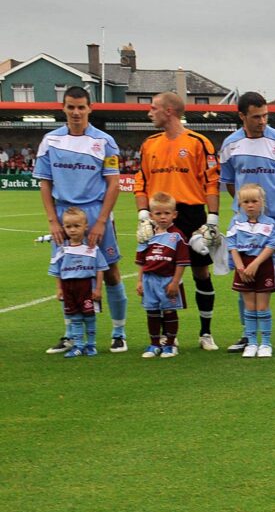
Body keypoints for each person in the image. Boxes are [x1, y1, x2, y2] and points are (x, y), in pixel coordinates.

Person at [34, 86, 129, 353]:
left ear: (90, 109)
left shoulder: (105, 141)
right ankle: (71, 335)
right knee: (68, 273)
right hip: (65, 215)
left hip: (95, 211)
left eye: (81, 107)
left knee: (110, 271)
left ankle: (119, 332)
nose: (76, 112)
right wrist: (53, 221)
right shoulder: (50, 141)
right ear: (63, 108)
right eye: (70, 107)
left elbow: (113, 184)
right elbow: (44, 183)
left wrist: (100, 221)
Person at [219, 92, 275, 352]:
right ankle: (248, 335)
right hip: (244, 225)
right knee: (244, 275)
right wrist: (245, 211)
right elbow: (230, 183)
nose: (262, 121)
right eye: (256, 117)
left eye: (265, 115)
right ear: (242, 116)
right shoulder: (230, 144)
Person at [134, 92, 221, 349]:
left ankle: (205, 333)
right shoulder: (149, 143)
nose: (149, 113)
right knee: (160, 274)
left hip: (192, 213)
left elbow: (211, 182)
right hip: (158, 216)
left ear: (169, 111)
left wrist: (213, 220)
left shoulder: (198, 142)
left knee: (200, 272)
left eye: (153, 108)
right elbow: (141, 182)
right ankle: (166, 335)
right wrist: (143, 216)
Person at [225, 185, 275, 358]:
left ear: (262, 202)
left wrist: (255, 264)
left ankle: (265, 343)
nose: (250, 205)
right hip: (243, 266)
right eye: (246, 202)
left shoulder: (270, 223)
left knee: (262, 307)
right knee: (249, 307)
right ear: (240, 204)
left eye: (254, 201)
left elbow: (272, 245)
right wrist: (240, 266)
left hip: (263, 265)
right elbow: (231, 245)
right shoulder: (236, 222)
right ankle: (251, 342)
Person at [135, 192, 191, 358]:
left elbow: (181, 262)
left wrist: (175, 282)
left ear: (174, 214)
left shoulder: (177, 236)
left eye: (167, 213)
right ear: (151, 215)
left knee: (169, 312)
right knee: (151, 311)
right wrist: (139, 281)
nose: (163, 217)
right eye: (158, 214)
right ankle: (154, 344)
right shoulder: (147, 234)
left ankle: (170, 345)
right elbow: (142, 261)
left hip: (167, 280)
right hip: (149, 280)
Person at [48, 207, 109, 357]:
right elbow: (57, 270)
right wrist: (59, 289)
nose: (72, 230)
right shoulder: (62, 249)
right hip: (69, 287)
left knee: (89, 316)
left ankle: (91, 344)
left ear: (85, 226)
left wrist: (98, 289)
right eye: (68, 227)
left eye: (76, 226)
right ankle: (78, 345)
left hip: (86, 286)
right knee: (74, 317)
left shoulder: (92, 248)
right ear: (64, 228)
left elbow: (100, 269)